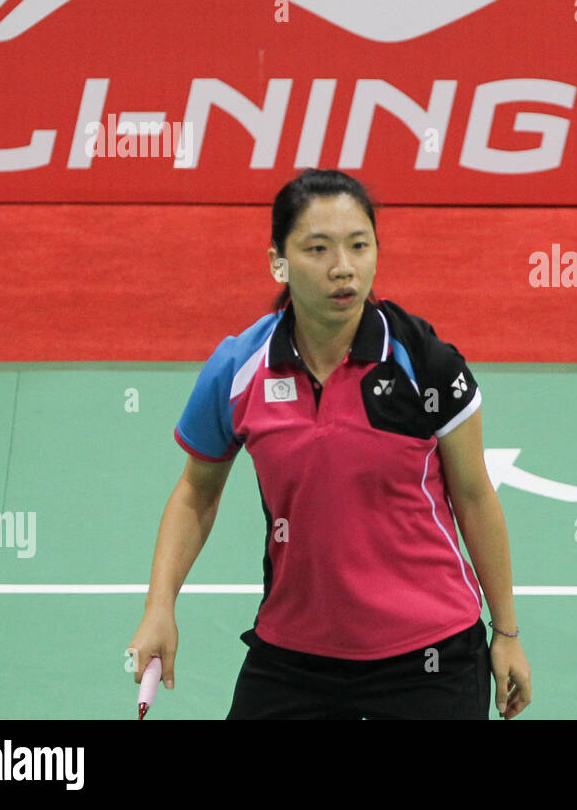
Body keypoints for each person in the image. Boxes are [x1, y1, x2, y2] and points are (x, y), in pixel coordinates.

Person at [128, 169, 531, 718]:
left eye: (359, 246)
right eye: (318, 249)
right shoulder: (238, 368)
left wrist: (505, 632)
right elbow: (196, 493)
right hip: (295, 654)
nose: (343, 268)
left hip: (430, 654)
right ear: (279, 261)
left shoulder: (425, 362)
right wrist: (159, 607)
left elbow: (474, 495)